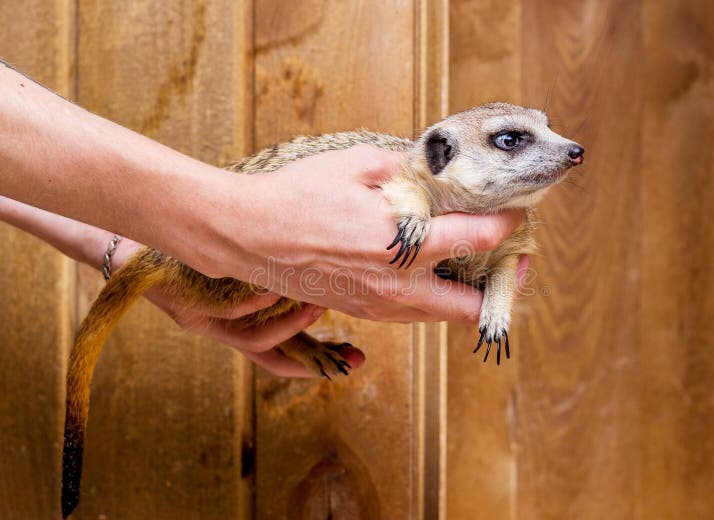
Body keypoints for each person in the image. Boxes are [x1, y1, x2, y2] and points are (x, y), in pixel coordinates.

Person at [0, 60, 528, 377]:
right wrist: (229, 224)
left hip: (191, 254)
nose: (571, 154)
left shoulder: (502, 218)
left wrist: (118, 243)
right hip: (220, 247)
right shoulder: (419, 173)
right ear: (444, 153)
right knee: (258, 290)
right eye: (511, 143)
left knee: (265, 295)